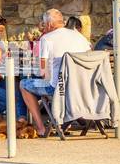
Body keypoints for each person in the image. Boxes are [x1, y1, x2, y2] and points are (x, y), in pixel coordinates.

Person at [19, 8, 91, 137]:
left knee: (24, 84)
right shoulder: (81, 38)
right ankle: (71, 117)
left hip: (59, 89)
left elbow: (43, 72)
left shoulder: (47, 39)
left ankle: (41, 128)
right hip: (83, 89)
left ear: (49, 24)